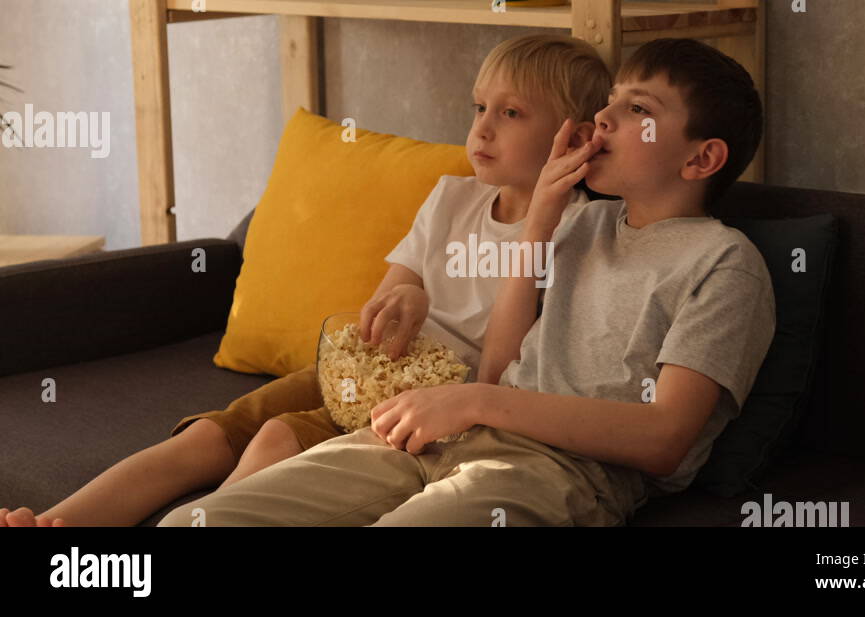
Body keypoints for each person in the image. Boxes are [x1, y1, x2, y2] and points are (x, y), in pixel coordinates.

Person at [154, 37, 777, 527]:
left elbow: (665, 438)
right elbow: (500, 365)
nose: (604, 118)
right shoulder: (580, 226)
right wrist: (538, 225)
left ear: (702, 159)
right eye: (610, 100)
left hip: (558, 473)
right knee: (196, 521)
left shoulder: (724, 263)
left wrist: (476, 403)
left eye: (637, 109)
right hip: (448, 436)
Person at [1, 33, 609, 527]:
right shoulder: (453, 198)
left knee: (271, 439)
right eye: (480, 107)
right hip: (365, 365)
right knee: (208, 437)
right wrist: (408, 294)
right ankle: (56, 524)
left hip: (427, 406)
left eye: (511, 113)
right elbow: (387, 297)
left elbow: (511, 370)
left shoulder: (579, 231)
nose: (481, 129)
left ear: (576, 138)